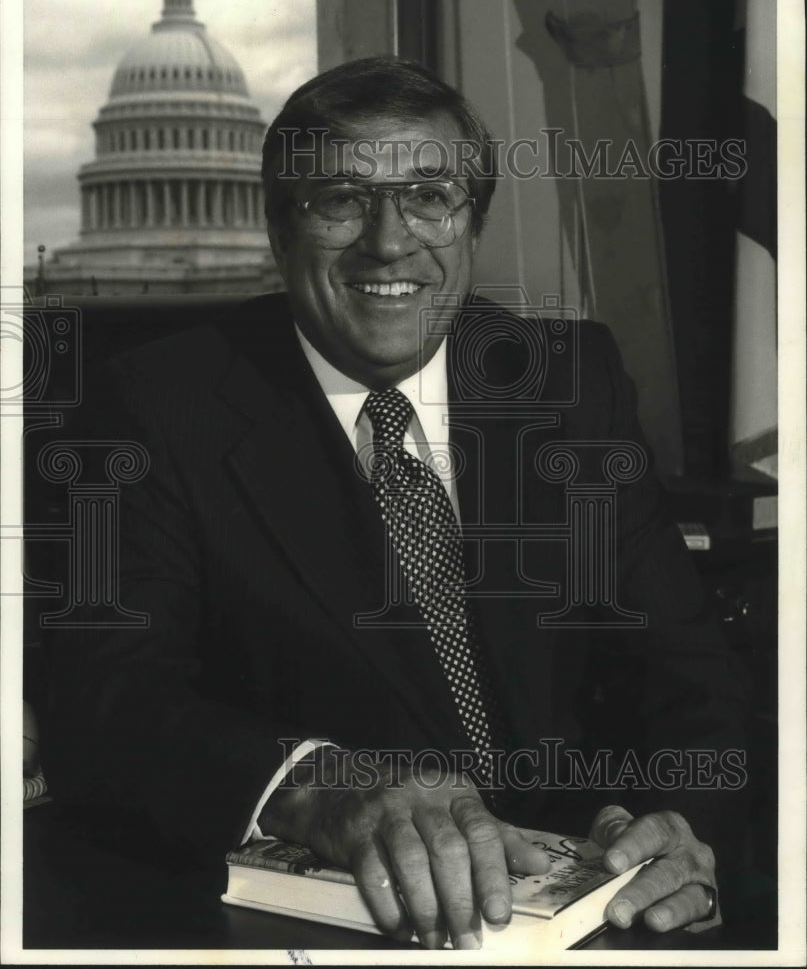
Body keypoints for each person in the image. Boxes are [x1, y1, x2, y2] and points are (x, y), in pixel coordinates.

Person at [44, 57, 747, 950]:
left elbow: (690, 678)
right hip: (329, 925)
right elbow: (102, 707)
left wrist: (683, 829)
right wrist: (315, 784)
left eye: (430, 198)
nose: (389, 241)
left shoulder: (570, 381)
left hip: (588, 912)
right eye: (339, 199)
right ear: (278, 226)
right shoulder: (150, 407)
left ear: (473, 222)